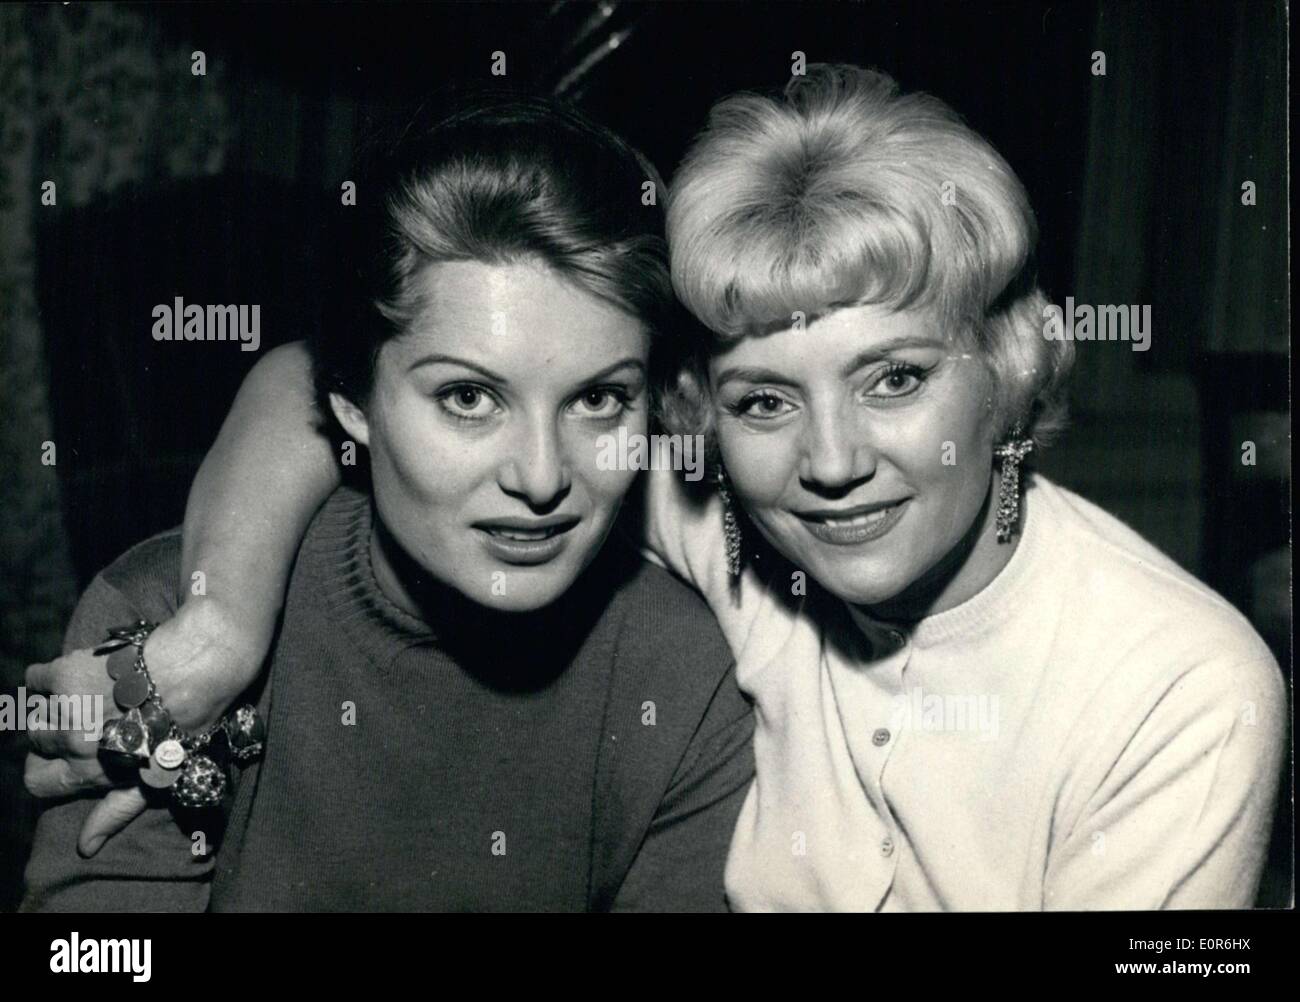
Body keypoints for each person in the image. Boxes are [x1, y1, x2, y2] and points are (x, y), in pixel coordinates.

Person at [29, 66, 1285, 911]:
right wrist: (214, 623)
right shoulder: (681, 496)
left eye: (895, 379)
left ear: (1008, 368)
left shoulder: (1183, 690)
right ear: (694, 417)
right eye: (762, 399)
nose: (831, 460)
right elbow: (320, 374)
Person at [21, 95, 754, 912]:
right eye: (470, 398)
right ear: (351, 406)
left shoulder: (689, 683)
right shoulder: (160, 626)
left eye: (597, 400)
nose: (543, 478)